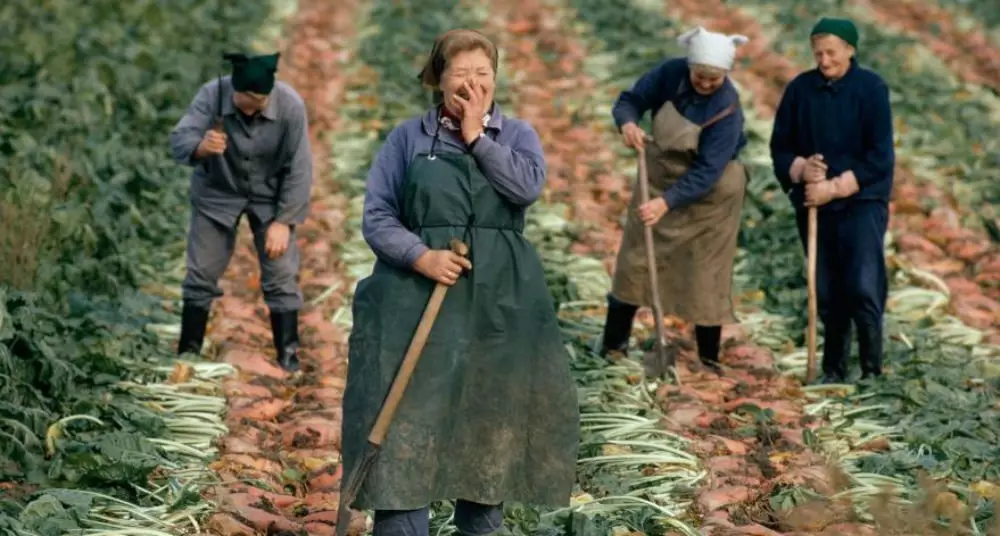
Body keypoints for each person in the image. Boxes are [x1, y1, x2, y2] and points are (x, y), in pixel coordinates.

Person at [339, 29, 580, 536]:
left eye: (484, 74)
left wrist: (476, 137)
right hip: (415, 301)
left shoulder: (516, 136)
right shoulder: (407, 138)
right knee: (407, 424)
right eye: (461, 74)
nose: (473, 84)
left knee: (488, 426)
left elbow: (524, 188)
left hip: (497, 306)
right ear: (438, 80)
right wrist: (420, 256)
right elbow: (378, 215)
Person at [597, 26, 751, 375]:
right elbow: (630, 101)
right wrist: (628, 125)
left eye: (715, 79)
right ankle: (612, 346)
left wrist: (667, 203)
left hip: (711, 196)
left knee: (706, 273)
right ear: (690, 66)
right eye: (701, 75)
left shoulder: (727, 108)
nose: (707, 83)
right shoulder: (669, 74)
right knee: (636, 259)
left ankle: (708, 360)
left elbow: (708, 170)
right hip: (659, 175)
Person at [168, 52, 313, 372]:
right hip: (217, 193)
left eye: (262, 102)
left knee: (281, 274)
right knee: (201, 272)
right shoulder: (212, 95)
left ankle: (288, 354)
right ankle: (188, 351)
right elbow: (179, 139)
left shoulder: (290, 106)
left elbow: (300, 168)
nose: (255, 107)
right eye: (248, 101)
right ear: (235, 91)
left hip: (271, 197)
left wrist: (284, 221)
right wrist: (201, 147)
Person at [770, 17, 895, 384]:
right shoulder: (800, 90)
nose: (824, 60)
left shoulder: (871, 88)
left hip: (861, 201)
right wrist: (800, 169)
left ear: (850, 51)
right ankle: (832, 368)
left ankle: (872, 369)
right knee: (825, 287)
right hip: (814, 204)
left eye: (831, 53)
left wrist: (836, 187)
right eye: (818, 53)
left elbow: (880, 158)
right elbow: (780, 146)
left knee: (861, 284)